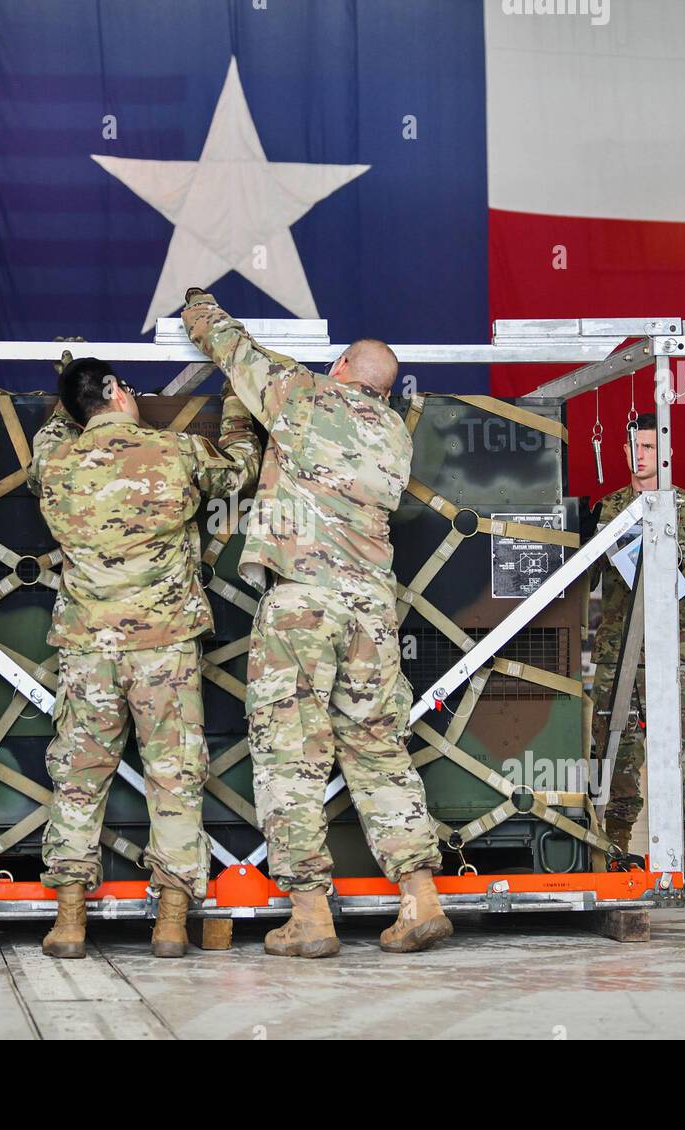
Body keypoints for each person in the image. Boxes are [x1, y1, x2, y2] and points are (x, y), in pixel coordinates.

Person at [182, 288, 450, 958]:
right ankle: (419, 900)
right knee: (380, 750)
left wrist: (201, 308)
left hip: (304, 600)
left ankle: (309, 915)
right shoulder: (393, 433)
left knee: (288, 754)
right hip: (372, 610)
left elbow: (234, 352)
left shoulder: (304, 399)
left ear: (338, 370)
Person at [28, 358, 260, 959]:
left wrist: (70, 393)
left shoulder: (55, 464)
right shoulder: (176, 452)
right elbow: (241, 469)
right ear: (114, 392)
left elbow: (53, 433)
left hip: (87, 651)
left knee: (78, 783)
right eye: (126, 388)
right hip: (165, 650)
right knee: (175, 781)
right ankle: (172, 923)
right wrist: (235, 402)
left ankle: (71, 922)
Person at [588, 414, 685, 891]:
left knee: (679, 759)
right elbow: (583, 581)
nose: (641, 454)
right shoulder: (606, 511)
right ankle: (614, 852)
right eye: (634, 446)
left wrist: (667, 558)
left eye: (650, 445)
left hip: (675, 654)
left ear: (665, 451)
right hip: (617, 651)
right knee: (612, 757)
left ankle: (681, 858)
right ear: (623, 453)